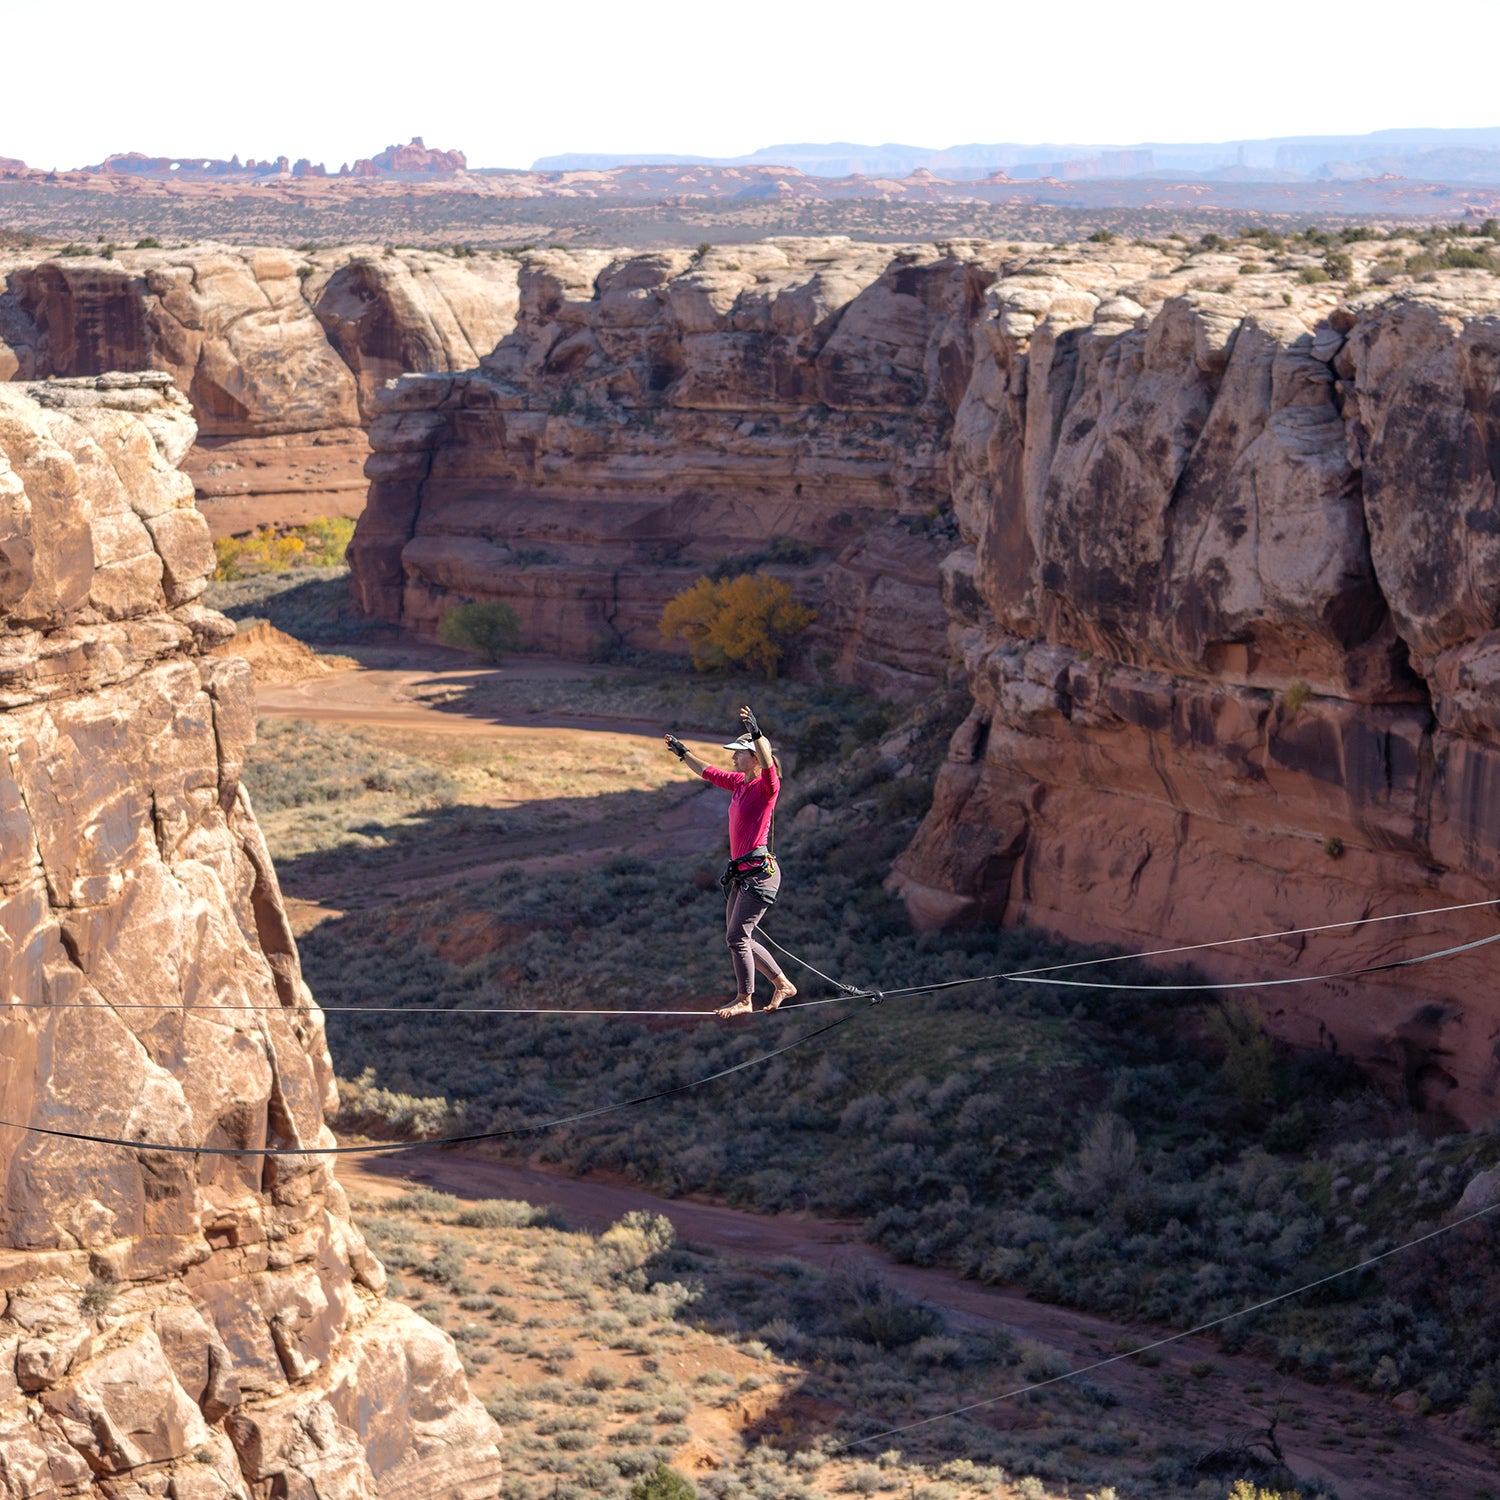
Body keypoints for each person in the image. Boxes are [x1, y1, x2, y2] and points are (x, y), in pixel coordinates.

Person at [664, 705, 797, 1018]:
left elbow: (767, 760)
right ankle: (782, 984)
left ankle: (744, 999)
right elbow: (706, 772)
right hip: (744, 875)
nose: (733, 758)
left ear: (752, 756)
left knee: (738, 937)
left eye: (739, 753)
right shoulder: (738, 784)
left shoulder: (767, 786)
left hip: (760, 876)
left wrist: (757, 733)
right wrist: (682, 752)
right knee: (738, 938)